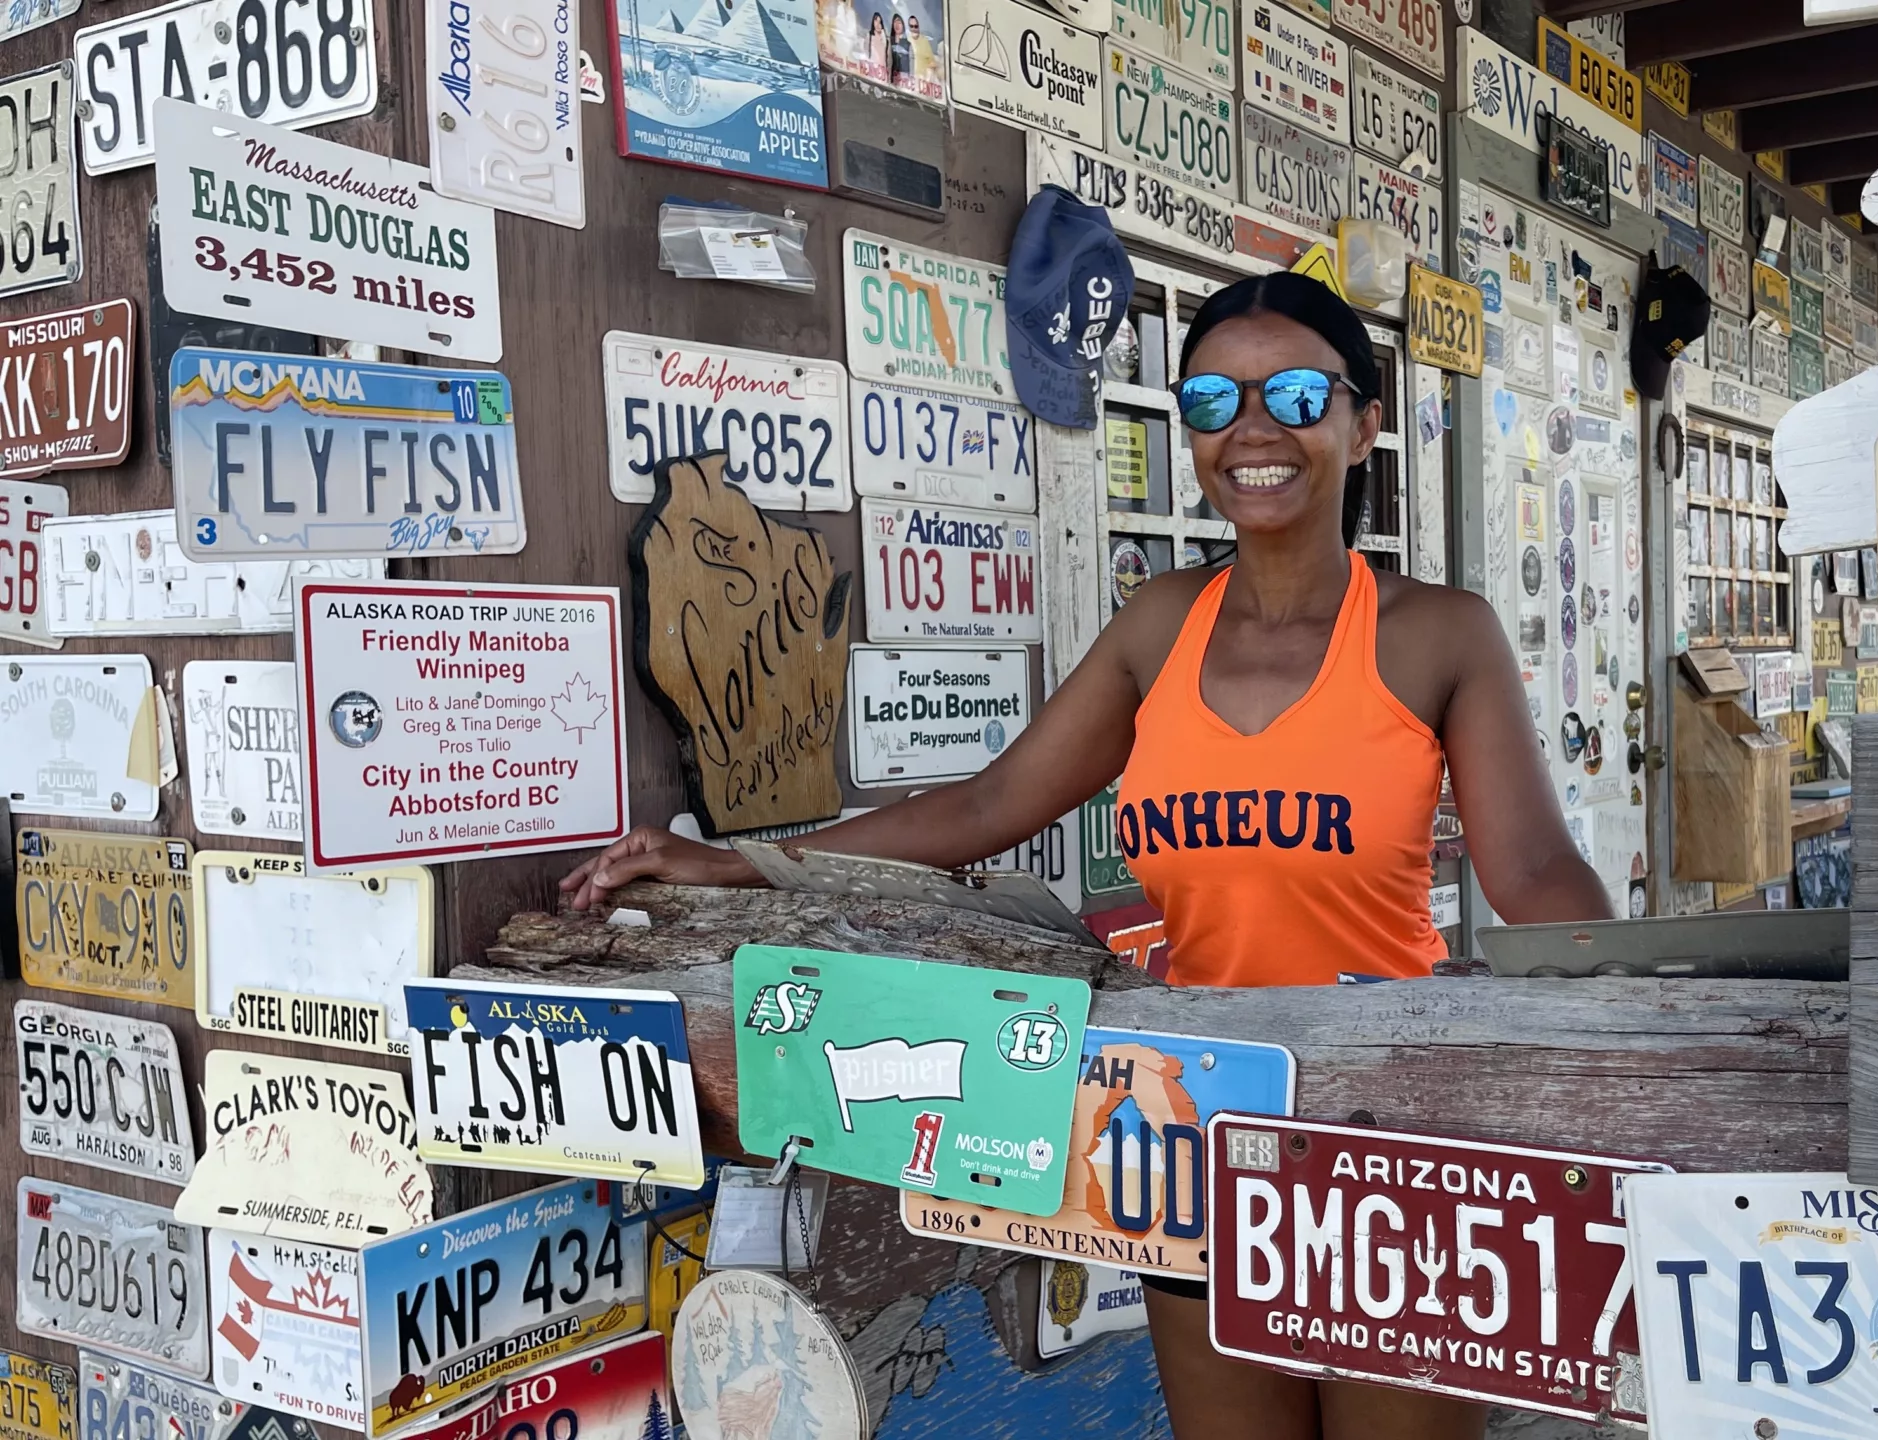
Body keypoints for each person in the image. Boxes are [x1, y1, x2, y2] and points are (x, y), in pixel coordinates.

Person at [560, 271, 1613, 1439]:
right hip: (1188, 1129)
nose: (1253, 428)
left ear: (1363, 424)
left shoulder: (1435, 634)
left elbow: (1537, 884)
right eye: (1213, 400)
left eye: (1297, 393)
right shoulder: (1160, 627)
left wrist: (1651, 1022)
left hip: (1385, 1136)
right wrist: (754, 864)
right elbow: (991, 803)